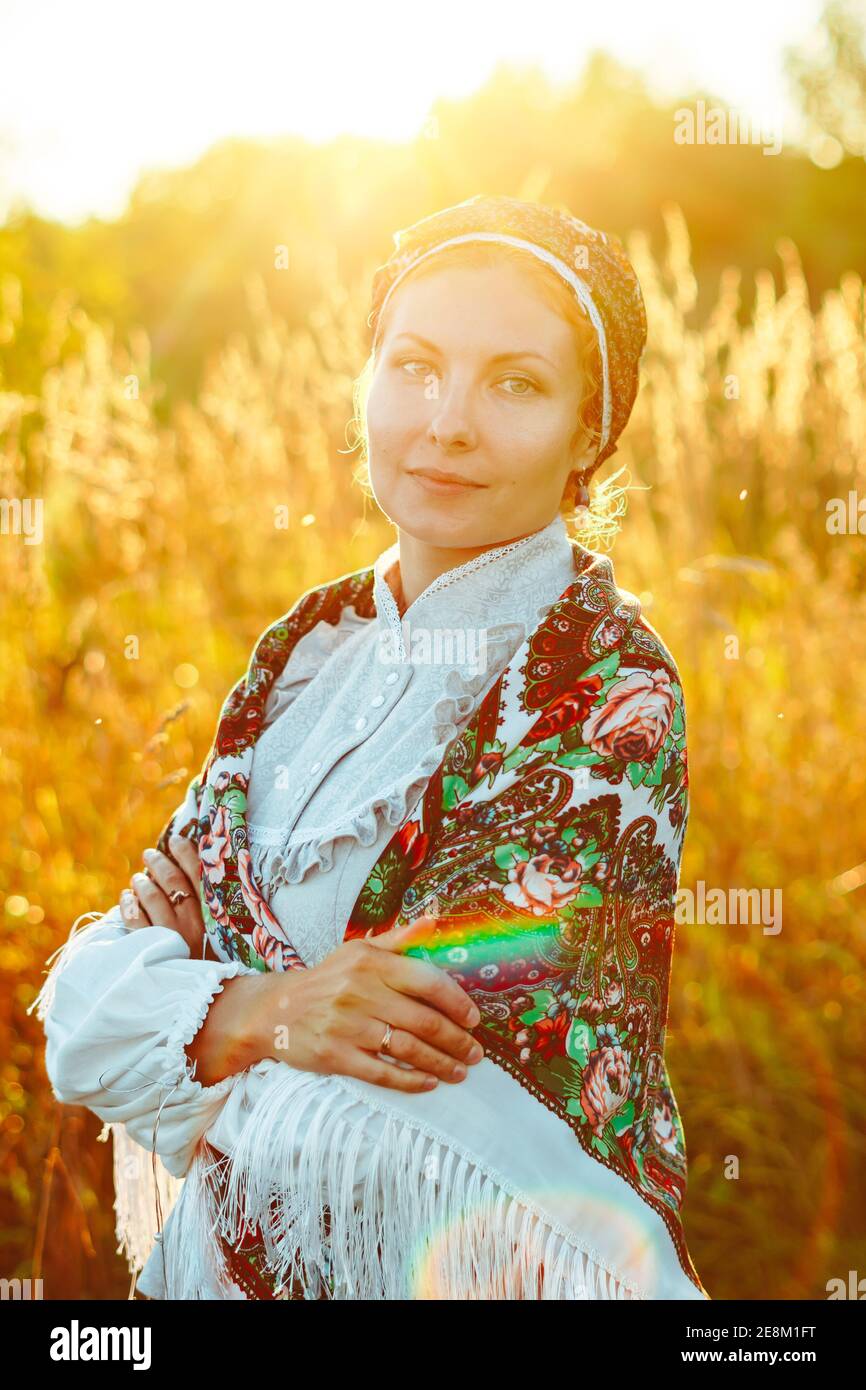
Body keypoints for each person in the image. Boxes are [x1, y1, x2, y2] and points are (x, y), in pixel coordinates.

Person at [33, 193, 709, 1300]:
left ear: (591, 431)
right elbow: (78, 1017)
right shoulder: (304, 650)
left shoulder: (602, 685)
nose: (445, 421)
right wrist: (266, 1011)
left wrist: (194, 1008)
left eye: (515, 384)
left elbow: (400, 1121)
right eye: (413, 365)